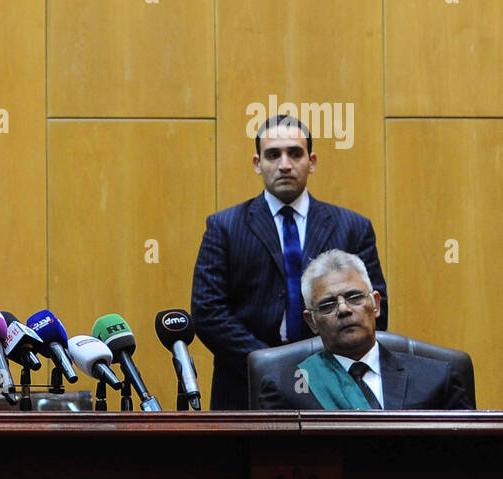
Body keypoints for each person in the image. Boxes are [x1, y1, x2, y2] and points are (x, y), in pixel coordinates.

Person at [191, 115, 389, 409]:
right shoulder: (225, 226)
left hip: (337, 383)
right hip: (245, 383)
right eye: (273, 154)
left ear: (311, 161)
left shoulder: (352, 227)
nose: (284, 164)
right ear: (258, 163)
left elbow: (373, 310)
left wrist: (320, 363)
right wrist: (271, 364)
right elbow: (208, 312)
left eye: (294, 153)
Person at [258, 250, 471, 410]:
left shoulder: (436, 378)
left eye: (354, 297)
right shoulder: (285, 388)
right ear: (311, 321)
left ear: (376, 304)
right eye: (327, 305)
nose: (343, 309)